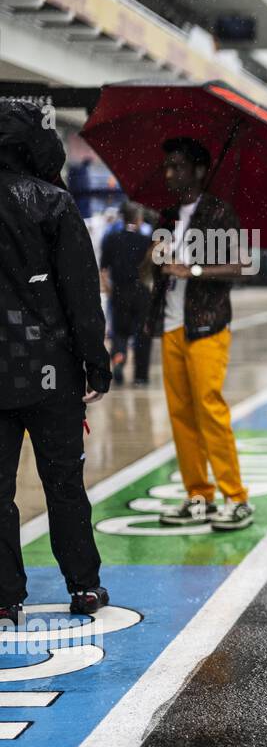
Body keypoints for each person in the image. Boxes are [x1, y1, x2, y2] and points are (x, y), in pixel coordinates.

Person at [0, 99, 112, 625]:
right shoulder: (55, 203)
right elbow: (82, 297)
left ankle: (5, 596)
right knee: (64, 482)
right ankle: (84, 585)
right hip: (52, 371)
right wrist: (97, 363)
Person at [144, 136, 253, 532]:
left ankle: (236, 497)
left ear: (200, 170)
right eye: (167, 166)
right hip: (171, 324)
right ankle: (198, 495)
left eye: (178, 166)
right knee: (181, 414)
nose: (170, 173)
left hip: (207, 324)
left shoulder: (219, 214)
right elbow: (152, 268)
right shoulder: (168, 216)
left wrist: (192, 270)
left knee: (209, 407)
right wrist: (156, 260)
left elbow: (243, 266)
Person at [100, 202, 154, 386]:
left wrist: (108, 289)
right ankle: (140, 376)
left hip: (119, 291)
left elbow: (104, 270)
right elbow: (150, 269)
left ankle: (118, 361)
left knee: (120, 333)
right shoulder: (145, 241)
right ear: (138, 219)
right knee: (142, 334)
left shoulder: (111, 239)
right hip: (140, 291)